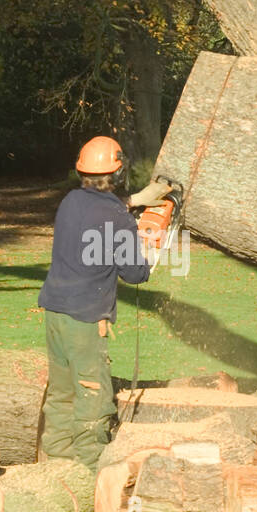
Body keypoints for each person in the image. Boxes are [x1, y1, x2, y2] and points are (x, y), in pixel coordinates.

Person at [36, 136, 171, 469]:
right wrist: (152, 246)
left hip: (55, 311)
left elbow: (100, 208)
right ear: (119, 172)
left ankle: (58, 460)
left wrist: (136, 201)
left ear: (82, 171)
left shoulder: (70, 201)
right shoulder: (118, 219)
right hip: (85, 319)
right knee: (93, 394)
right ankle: (89, 466)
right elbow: (135, 274)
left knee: (62, 391)